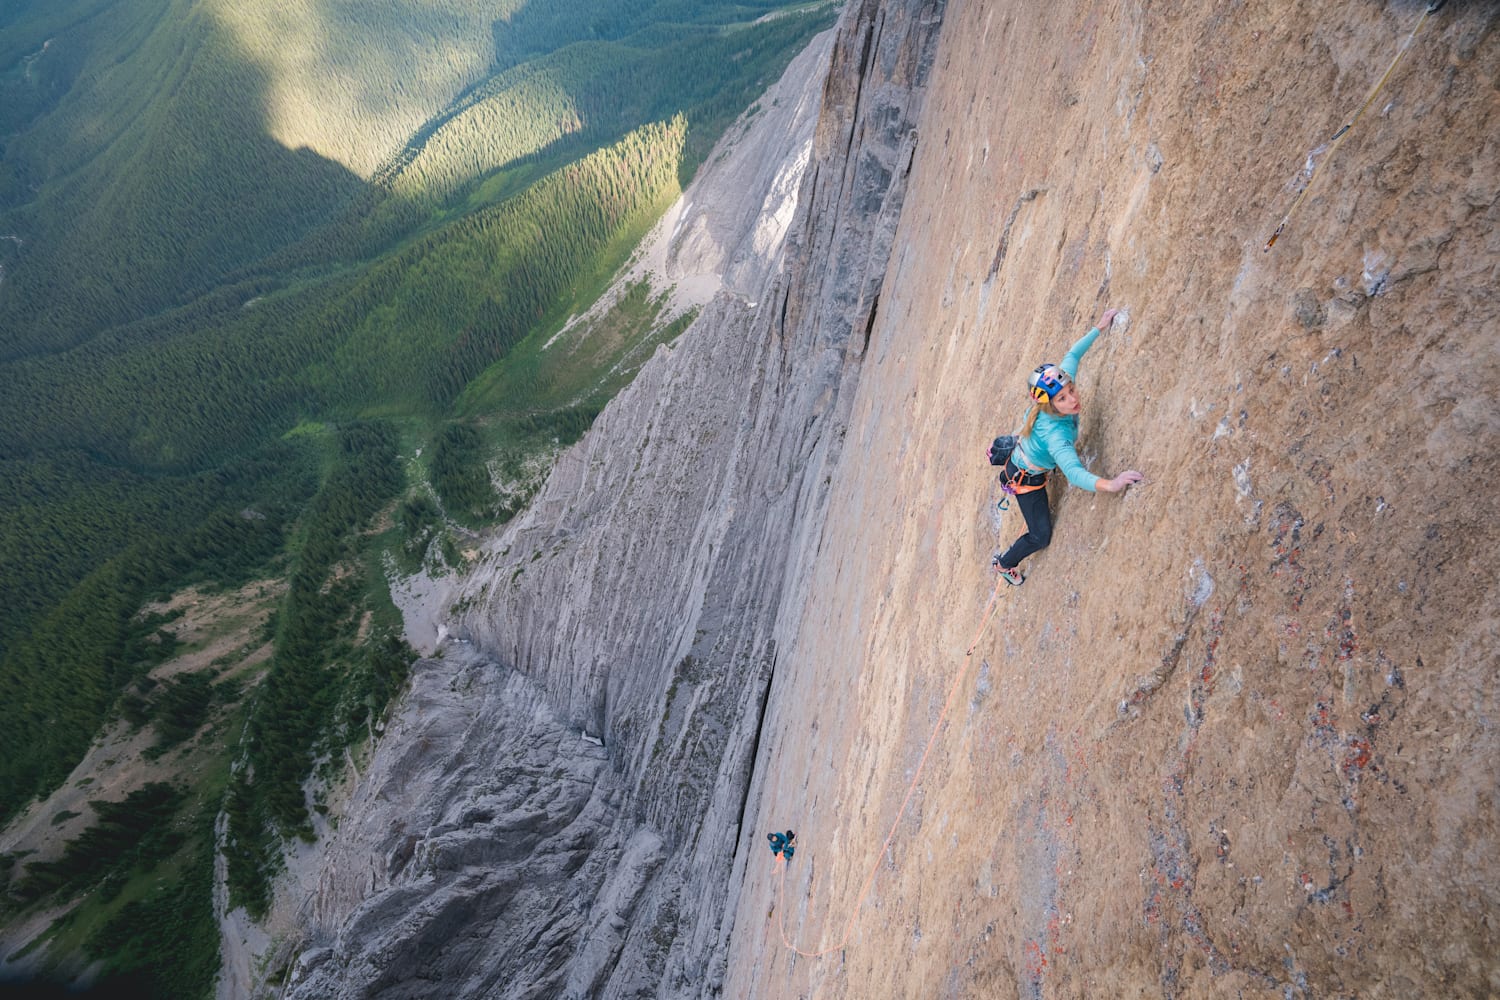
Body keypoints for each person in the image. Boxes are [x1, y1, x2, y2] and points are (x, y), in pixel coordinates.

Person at [992, 307, 1143, 585]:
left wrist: (1099, 327)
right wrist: (1111, 484)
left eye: (1071, 390)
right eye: (1062, 399)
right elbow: (1073, 472)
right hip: (1027, 478)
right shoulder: (1056, 436)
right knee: (1041, 536)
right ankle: (1004, 564)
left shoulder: (1056, 393)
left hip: (1026, 457)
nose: (1072, 400)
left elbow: (1072, 356)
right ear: (1050, 404)